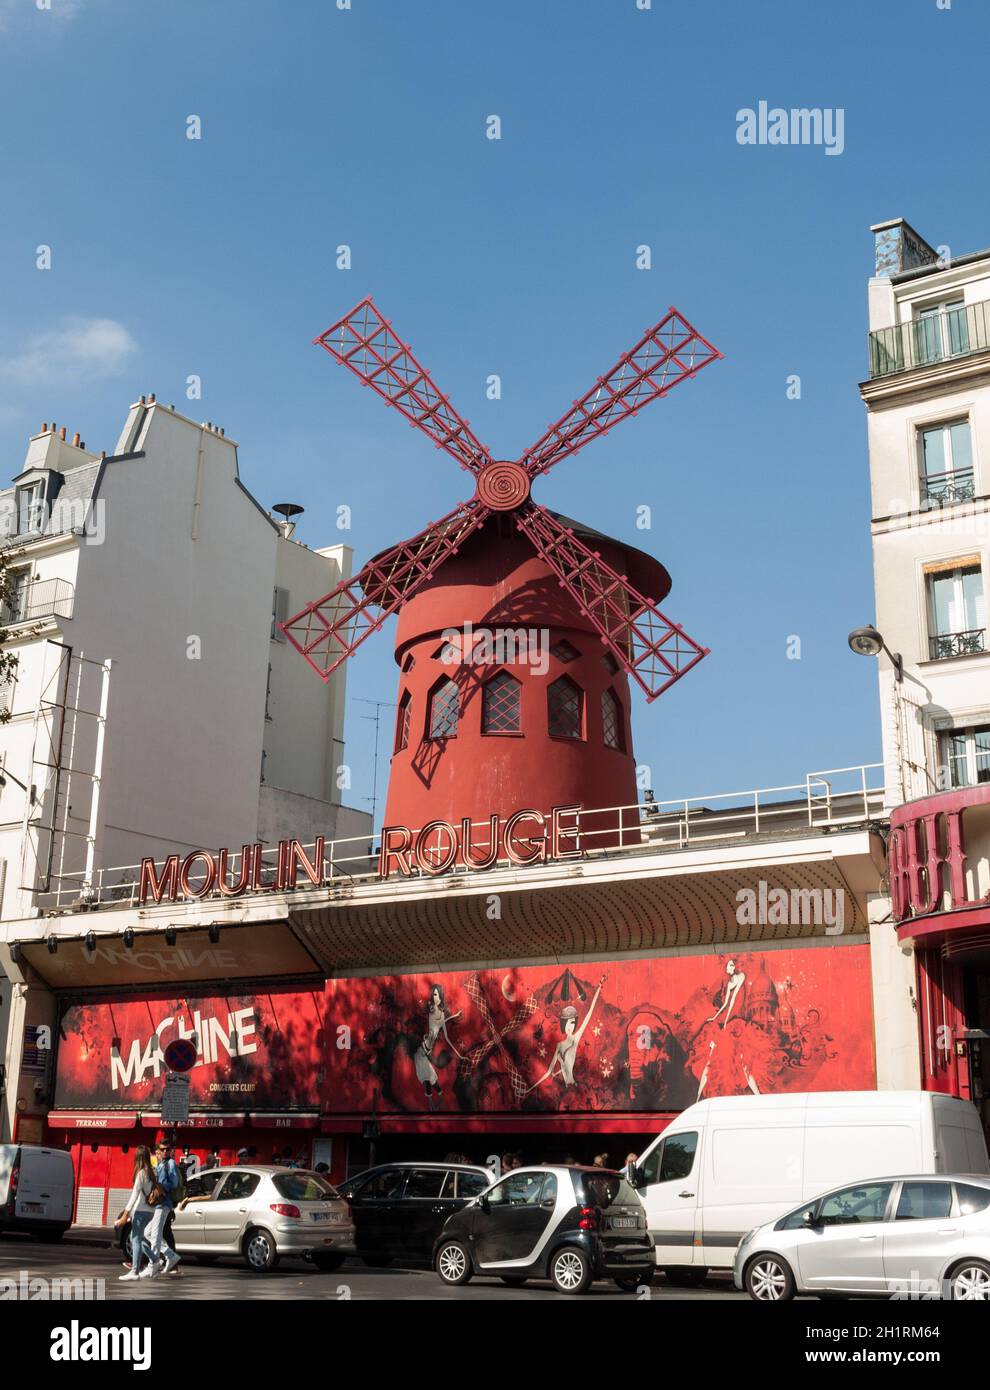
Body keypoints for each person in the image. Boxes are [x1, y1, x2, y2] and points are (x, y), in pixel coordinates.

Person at [115, 1146, 155, 1282]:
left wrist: (126, 1213)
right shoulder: (152, 1172)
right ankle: (155, 1260)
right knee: (138, 1238)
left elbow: (134, 1195)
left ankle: (135, 1271)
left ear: (138, 1158)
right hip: (151, 1211)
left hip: (141, 1211)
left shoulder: (141, 1174)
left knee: (136, 1239)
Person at [145, 1140, 181, 1277]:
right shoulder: (161, 1163)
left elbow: (174, 1183)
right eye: (162, 1149)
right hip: (159, 1203)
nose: (164, 1152)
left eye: (167, 1149)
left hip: (164, 1203)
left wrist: (161, 1187)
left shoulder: (170, 1163)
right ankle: (171, 1256)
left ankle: (153, 1265)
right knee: (147, 1233)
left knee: (155, 1235)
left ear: (171, 1150)